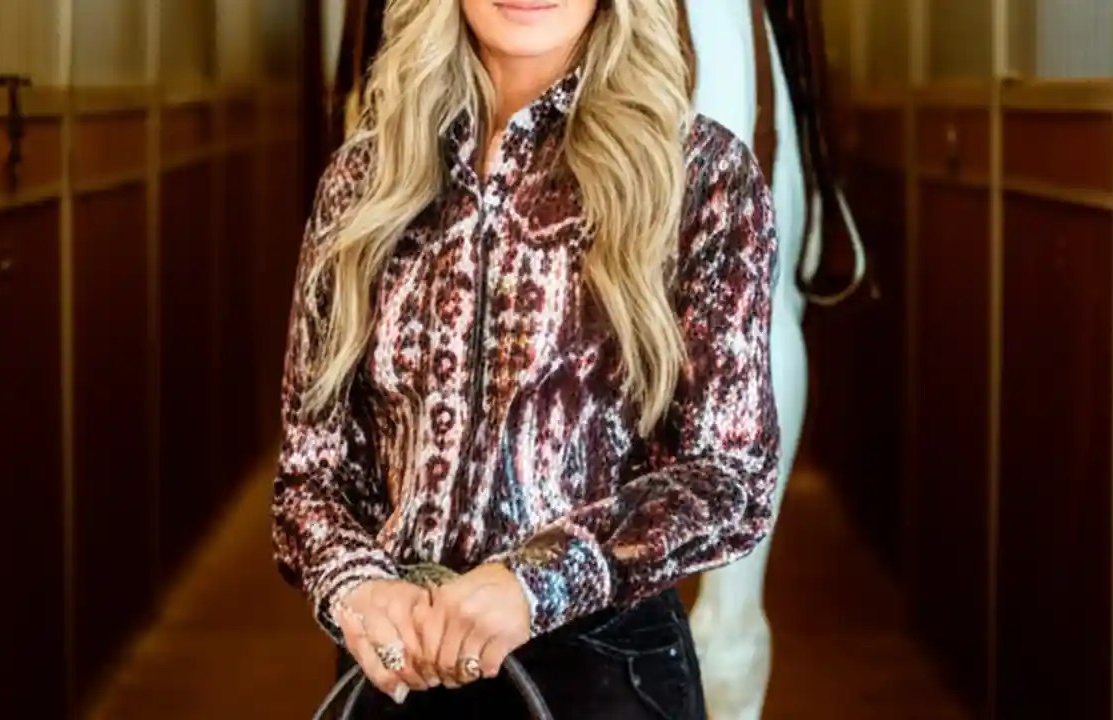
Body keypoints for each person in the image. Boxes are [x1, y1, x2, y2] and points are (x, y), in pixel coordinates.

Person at [272, 0, 779, 716]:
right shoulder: (361, 183)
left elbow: (733, 476)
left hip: (607, 680)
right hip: (398, 671)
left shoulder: (702, 176)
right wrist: (355, 586)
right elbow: (308, 476)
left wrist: (533, 583)